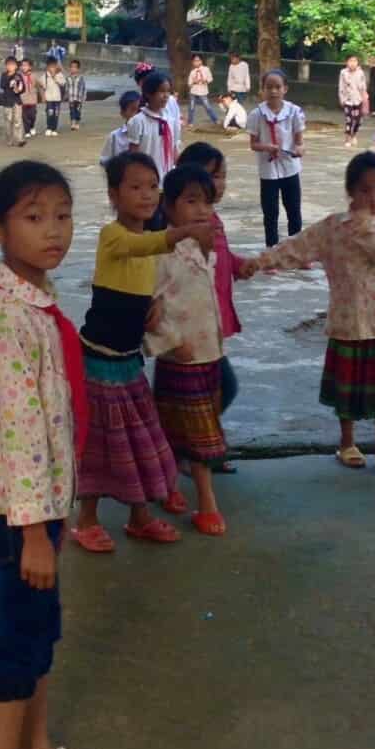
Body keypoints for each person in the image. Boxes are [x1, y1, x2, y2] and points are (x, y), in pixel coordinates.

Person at [0, 160, 114, 749]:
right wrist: (31, 533)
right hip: (13, 514)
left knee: (39, 633)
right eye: (33, 217)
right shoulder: (7, 319)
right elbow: (21, 433)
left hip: (37, 508)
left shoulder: (36, 299)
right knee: (17, 645)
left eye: (61, 215)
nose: (53, 230)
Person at [243, 151, 375, 476]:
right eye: (365, 190)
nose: (374, 197)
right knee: (347, 391)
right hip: (347, 322)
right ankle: (347, 443)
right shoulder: (332, 228)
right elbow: (296, 248)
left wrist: (363, 222)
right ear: (351, 191)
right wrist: (258, 262)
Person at [72, 153, 212, 553]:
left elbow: (146, 283)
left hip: (128, 361)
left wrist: (151, 312)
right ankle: (85, 521)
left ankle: (140, 517)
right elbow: (142, 244)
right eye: (135, 187)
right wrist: (185, 231)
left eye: (153, 186)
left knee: (139, 442)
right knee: (98, 446)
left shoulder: (150, 246)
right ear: (113, 195)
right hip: (98, 362)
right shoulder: (112, 235)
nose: (146, 194)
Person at [144, 165, 229, 536]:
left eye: (206, 202)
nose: (200, 210)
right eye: (191, 201)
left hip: (209, 353)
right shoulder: (161, 253)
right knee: (198, 437)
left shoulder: (202, 249)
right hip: (181, 356)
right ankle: (207, 505)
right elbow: (149, 310)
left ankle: (170, 487)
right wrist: (170, 342)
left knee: (176, 431)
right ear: (169, 206)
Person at [177, 142, 243, 474]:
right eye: (211, 176)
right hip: (191, 326)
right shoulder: (178, 228)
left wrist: (241, 264)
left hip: (212, 319)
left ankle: (201, 445)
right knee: (218, 387)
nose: (219, 183)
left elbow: (222, 257)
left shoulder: (212, 219)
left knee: (215, 388)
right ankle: (194, 449)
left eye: (222, 176)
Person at [248, 68, 307, 247]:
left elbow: (299, 142)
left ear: (285, 89)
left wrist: (299, 150)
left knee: (294, 211)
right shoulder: (256, 114)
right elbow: (253, 144)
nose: (273, 91)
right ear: (262, 90)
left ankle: (297, 252)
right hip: (268, 171)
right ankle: (271, 251)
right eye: (269, 87)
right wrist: (267, 147)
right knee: (270, 213)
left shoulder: (294, 112)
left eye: (277, 87)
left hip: (290, 168)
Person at [125, 70, 182, 227]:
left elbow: (174, 150)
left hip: (168, 182)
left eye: (168, 92)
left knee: (166, 227)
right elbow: (133, 155)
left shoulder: (170, 121)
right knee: (149, 226)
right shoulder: (138, 122)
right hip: (147, 185)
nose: (165, 96)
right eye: (161, 92)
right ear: (149, 94)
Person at [99, 90, 143, 166]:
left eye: (139, 111)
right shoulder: (114, 136)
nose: (137, 115)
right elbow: (104, 160)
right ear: (123, 113)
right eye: (133, 110)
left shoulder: (149, 133)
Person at [338, 54, 368, 148]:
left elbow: (363, 87)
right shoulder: (343, 72)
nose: (352, 63)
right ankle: (347, 139)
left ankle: (354, 135)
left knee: (358, 120)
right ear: (346, 62)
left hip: (358, 99)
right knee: (349, 120)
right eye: (350, 61)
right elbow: (341, 86)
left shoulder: (360, 73)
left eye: (354, 61)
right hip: (348, 100)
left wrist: (365, 100)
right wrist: (341, 99)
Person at [0, 56, 27, 148]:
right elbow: (2, 86)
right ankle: (9, 139)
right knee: (8, 121)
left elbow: (23, 88)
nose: (10, 66)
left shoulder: (18, 76)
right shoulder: (4, 75)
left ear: (16, 66)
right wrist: (10, 78)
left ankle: (19, 139)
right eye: (8, 65)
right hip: (7, 101)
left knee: (18, 120)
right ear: (6, 66)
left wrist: (18, 90)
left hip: (17, 101)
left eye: (12, 65)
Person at [187, 54, 219, 126]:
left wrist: (205, 81)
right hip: (193, 92)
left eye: (198, 60)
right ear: (192, 62)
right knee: (191, 107)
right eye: (195, 61)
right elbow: (189, 84)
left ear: (201, 61)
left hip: (203, 91)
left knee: (207, 106)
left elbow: (211, 79)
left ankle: (215, 120)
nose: (196, 62)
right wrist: (193, 82)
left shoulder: (206, 69)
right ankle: (190, 122)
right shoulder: (192, 72)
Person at [41, 58, 67, 136]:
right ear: (47, 67)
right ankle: (49, 127)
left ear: (56, 66)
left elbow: (63, 84)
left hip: (57, 99)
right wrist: (43, 97)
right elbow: (42, 87)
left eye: (54, 66)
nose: (52, 68)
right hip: (49, 99)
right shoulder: (45, 76)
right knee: (50, 113)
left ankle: (54, 129)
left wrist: (54, 77)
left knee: (56, 114)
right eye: (50, 66)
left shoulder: (60, 75)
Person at [65, 59, 88, 131]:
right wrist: (66, 95)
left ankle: (77, 123)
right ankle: (73, 123)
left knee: (78, 112)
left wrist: (84, 97)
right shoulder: (68, 78)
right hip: (71, 98)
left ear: (78, 69)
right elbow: (67, 87)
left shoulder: (81, 78)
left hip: (79, 98)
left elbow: (83, 88)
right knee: (72, 111)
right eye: (71, 67)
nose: (73, 69)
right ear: (69, 68)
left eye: (75, 67)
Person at [20, 59, 40, 138]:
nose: (23, 67)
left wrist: (42, 96)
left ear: (30, 67)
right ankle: (27, 130)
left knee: (32, 115)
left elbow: (39, 86)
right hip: (23, 100)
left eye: (26, 65)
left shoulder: (34, 76)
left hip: (32, 100)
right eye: (22, 65)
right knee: (24, 116)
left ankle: (32, 126)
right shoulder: (19, 76)